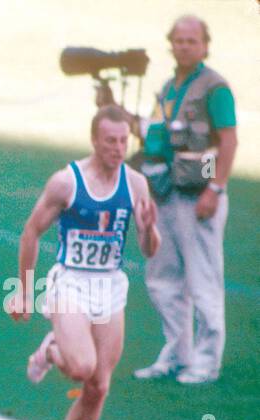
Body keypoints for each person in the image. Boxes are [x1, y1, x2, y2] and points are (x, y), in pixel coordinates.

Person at [10, 106, 160, 420]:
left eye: (124, 140)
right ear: (94, 139)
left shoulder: (137, 185)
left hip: (110, 286)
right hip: (71, 283)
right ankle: (52, 350)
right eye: (110, 140)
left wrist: (147, 229)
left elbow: (148, 249)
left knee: (99, 387)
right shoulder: (67, 182)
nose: (117, 147)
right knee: (81, 368)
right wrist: (24, 290)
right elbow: (31, 232)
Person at [107, 15, 235, 384]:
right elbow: (154, 134)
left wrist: (215, 188)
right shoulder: (169, 88)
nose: (184, 46)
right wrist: (116, 108)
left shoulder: (215, 88)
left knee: (203, 279)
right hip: (166, 194)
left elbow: (227, 141)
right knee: (163, 278)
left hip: (198, 197)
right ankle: (176, 354)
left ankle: (206, 362)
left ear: (205, 45)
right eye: (178, 40)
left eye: (191, 40)